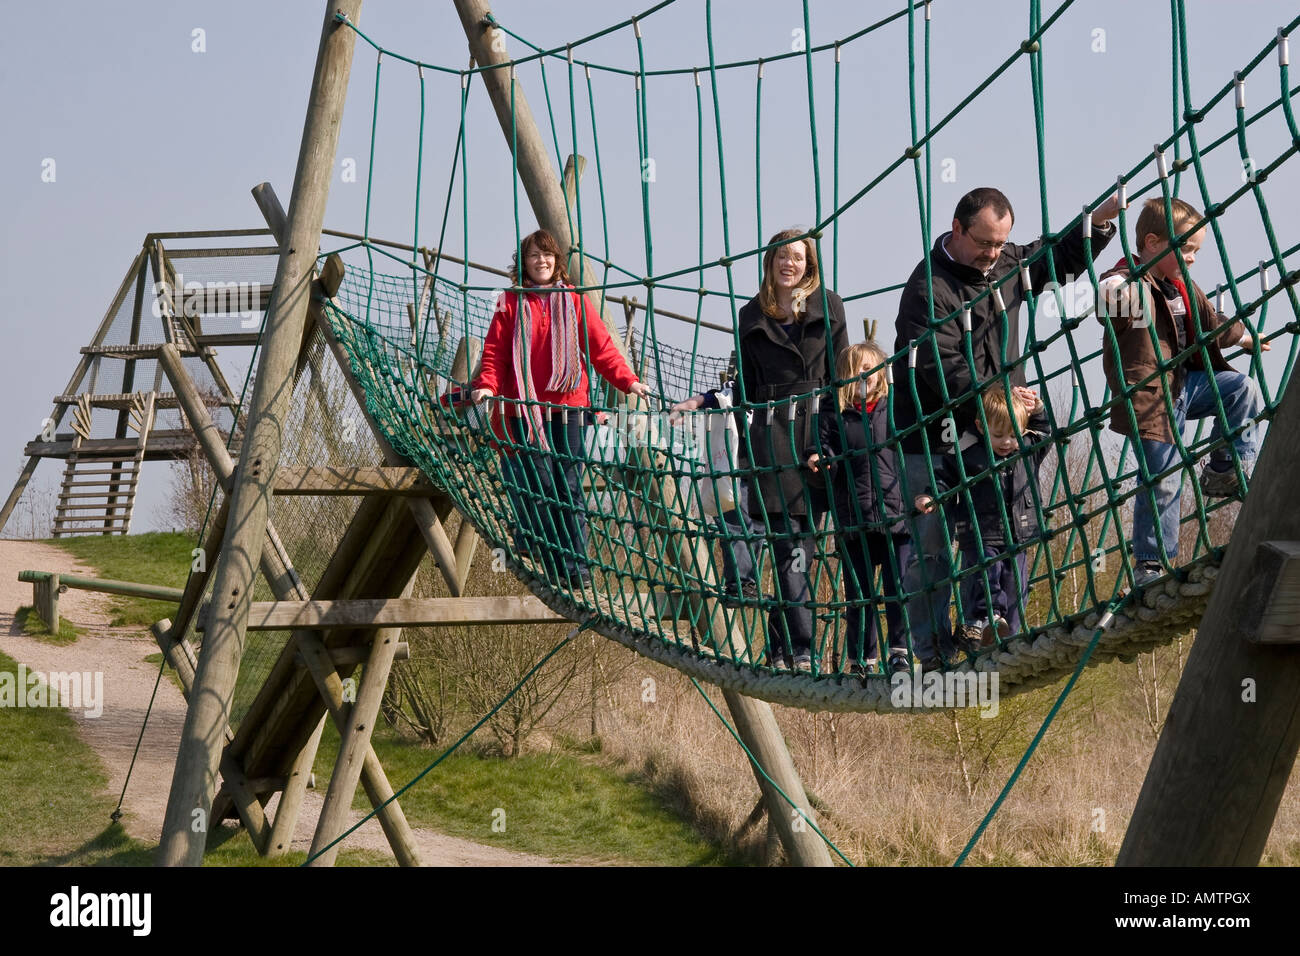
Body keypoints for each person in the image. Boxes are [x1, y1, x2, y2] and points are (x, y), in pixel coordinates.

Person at [892, 186, 1119, 670]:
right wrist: (984, 415)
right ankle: (931, 650)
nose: (994, 254)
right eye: (985, 243)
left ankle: (994, 624)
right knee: (930, 545)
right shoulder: (928, 290)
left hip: (999, 418)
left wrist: (1097, 224)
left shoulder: (1006, 265)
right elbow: (941, 363)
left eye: (1001, 244)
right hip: (932, 432)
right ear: (957, 229)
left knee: (1002, 521)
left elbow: (1054, 257)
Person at [1096, 197, 1265, 587]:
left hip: (1188, 384)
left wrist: (1245, 339)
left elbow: (1213, 322)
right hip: (1152, 394)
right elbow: (1110, 297)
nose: (1191, 258)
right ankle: (1151, 563)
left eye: (1196, 250)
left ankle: (1224, 469)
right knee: (1164, 476)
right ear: (1152, 242)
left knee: (1242, 388)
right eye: (1186, 248)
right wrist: (1117, 284)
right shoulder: (1132, 284)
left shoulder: (1183, 287)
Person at [471, 228, 649, 586]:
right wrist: (487, 385)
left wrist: (627, 381)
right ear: (524, 262)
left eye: (548, 254)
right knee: (536, 482)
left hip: (567, 406)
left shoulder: (574, 300)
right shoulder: (510, 301)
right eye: (534, 255)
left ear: (558, 261)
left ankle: (576, 566)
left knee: (566, 485)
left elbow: (600, 348)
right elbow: (495, 351)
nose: (541, 261)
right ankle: (543, 549)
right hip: (522, 408)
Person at [737, 227, 848, 673]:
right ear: (770, 263)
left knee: (798, 550)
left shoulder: (829, 305)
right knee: (789, 548)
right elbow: (745, 385)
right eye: (782, 256)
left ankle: (787, 646)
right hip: (772, 439)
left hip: (816, 437)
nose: (790, 263)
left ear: (810, 265)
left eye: (798, 257)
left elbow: (840, 375)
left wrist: (836, 438)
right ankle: (796, 649)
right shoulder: (750, 315)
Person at [914, 385, 1049, 652]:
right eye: (998, 435)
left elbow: (1046, 432)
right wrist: (930, 496)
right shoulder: (970, 456)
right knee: (987, 573)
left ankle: (1007, 634)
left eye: (1013, 434)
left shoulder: (1027, 450)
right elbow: (945, 476)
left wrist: (1039, 409)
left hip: (1017, 533)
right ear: (980, 426)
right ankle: (984, 619)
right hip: (979, 532)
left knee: (1016, 585)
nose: (1006, 442)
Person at [805, 341, 911, 676]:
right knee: (859, 597)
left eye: (871, 366)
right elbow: (820, 443)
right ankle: (861, 658)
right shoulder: (834, 411)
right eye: (857, 368)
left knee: (899, 590)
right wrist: (817, 455)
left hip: (894, 516)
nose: (865, 373)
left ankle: (899, 652)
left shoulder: (893, 406)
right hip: (853, 520)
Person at [669, 356, 763, 604]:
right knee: (735, 524)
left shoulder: (778, 389)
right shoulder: (739, 389)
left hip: (764, 470)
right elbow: (719, 396)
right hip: (733, 469)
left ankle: (747, 582)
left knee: (758, 527)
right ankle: (739, 585)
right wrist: (693, 402)